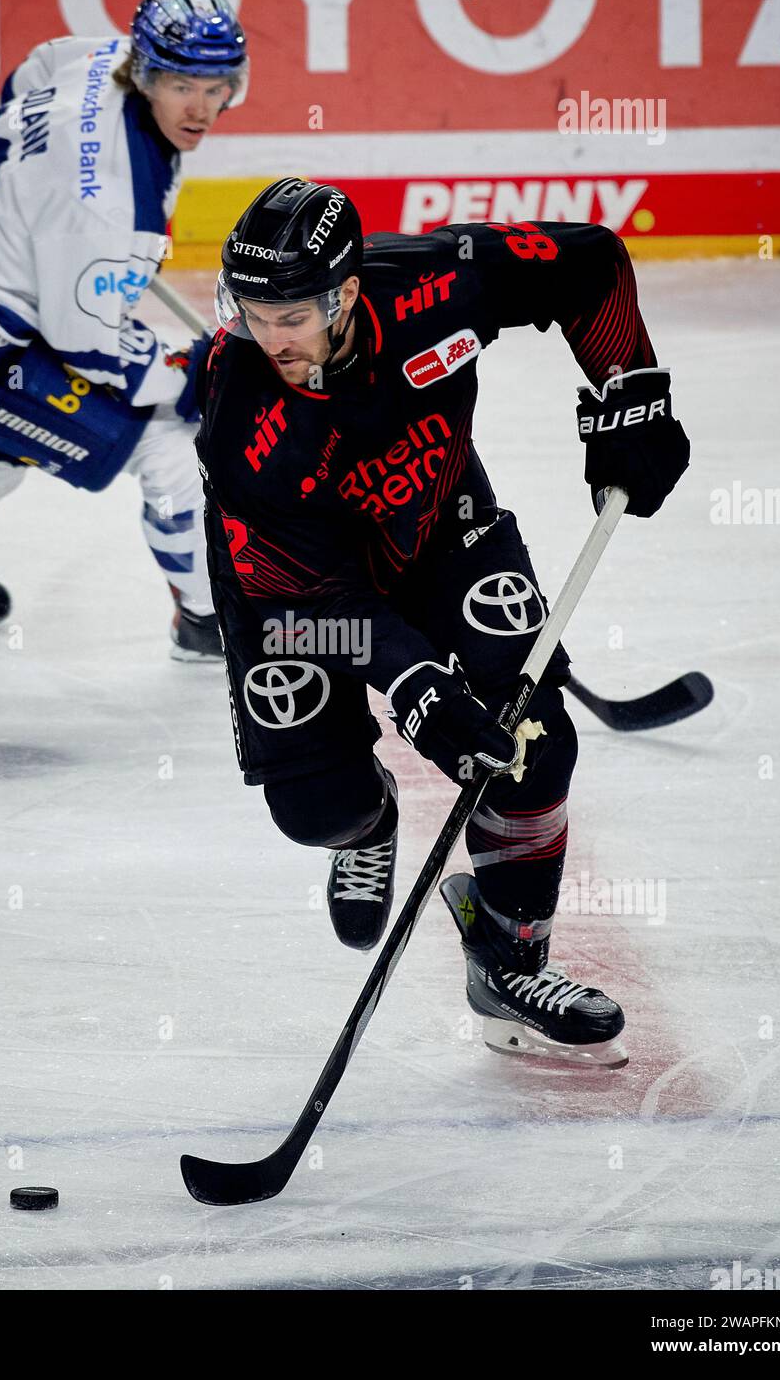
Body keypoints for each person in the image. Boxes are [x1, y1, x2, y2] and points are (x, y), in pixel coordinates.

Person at [195, 178, 690, 1065]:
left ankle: (508, 955)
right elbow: (306, 603)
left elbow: (589, 262)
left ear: (347, 293)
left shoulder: (439, 281)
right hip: (295, 604)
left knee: (531, 736)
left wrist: (633, 393)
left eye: (292, 314)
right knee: (317, 809)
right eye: (251, 312)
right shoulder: (241, 416)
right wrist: (415, 681)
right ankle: (368, 824)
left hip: (443, 528)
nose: (268, 337)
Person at [0, 0, 248, 660]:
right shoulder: (106, 201)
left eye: (217, 87)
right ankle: (210, 623)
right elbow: (87, 343)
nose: (200, 108)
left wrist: (30, 199)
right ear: (147, 70)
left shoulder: (97, 58)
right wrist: (195, 370)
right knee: (171, 441)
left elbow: (31, 73)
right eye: (181, 84)